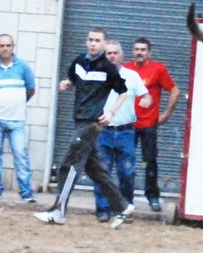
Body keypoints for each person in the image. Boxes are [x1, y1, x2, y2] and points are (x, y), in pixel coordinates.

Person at [36, 27, 135, 227]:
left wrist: (111, 113)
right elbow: (74, 80)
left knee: (69, 165)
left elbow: (123, 92)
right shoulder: (79, 61)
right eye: (90, 39)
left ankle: (58, 211)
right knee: (95, 169)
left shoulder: (108, 68)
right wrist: (67, 84)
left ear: (104, 44)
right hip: (79, 119)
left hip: (91, 124)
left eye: (97, 40)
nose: (92, 43)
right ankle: (122, 206)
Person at [125, 37, 179, 213]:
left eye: (143, 49)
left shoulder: (158, 69)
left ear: (149, 52)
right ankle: (125, 199)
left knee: (150, 161)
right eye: (136, 49)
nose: (139, 52)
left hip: (149, 123)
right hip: (128, 124)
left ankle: (153, 197)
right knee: (126, 161)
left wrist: (166, 114)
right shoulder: (126, 69)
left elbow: (174, 91)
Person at [0, 34, 37, 203]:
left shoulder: (23, 67)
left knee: (20, 154)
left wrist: (17, 103)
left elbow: (31, 90)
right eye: (1, 45)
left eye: (8, 45)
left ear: (13, 47)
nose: (5, 48)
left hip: (17, 119)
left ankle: (26, 191)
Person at [95, 41, 147, 221]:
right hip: (102, 131)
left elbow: (145, 96)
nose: (111, 56)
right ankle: (102, 210)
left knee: (127, 173)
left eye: (115, 53)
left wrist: (146, 102)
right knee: (102, 171)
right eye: (108, 53)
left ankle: (123, 209)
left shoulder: (132, 76)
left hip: (125, 132)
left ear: (121, 56)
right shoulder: (97, 75)